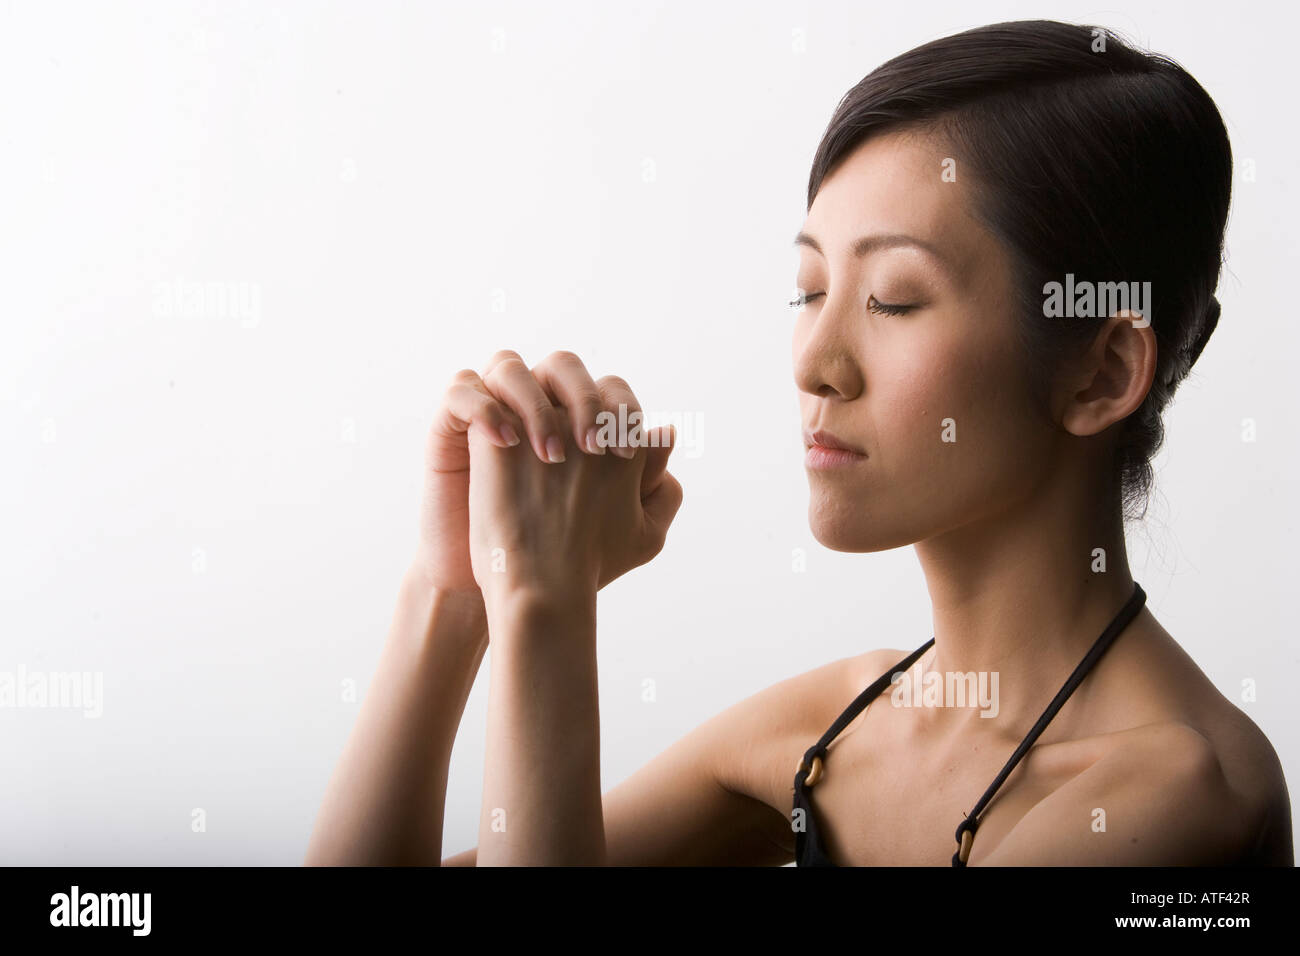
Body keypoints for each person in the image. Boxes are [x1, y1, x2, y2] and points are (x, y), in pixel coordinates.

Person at [304, 20, 1292, 866]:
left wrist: (548, 611)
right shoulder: (838, 723)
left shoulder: (1179, 798)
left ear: (1101, 371)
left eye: (893, 299)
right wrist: (454, 598)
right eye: (808, 291)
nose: (813, 362)